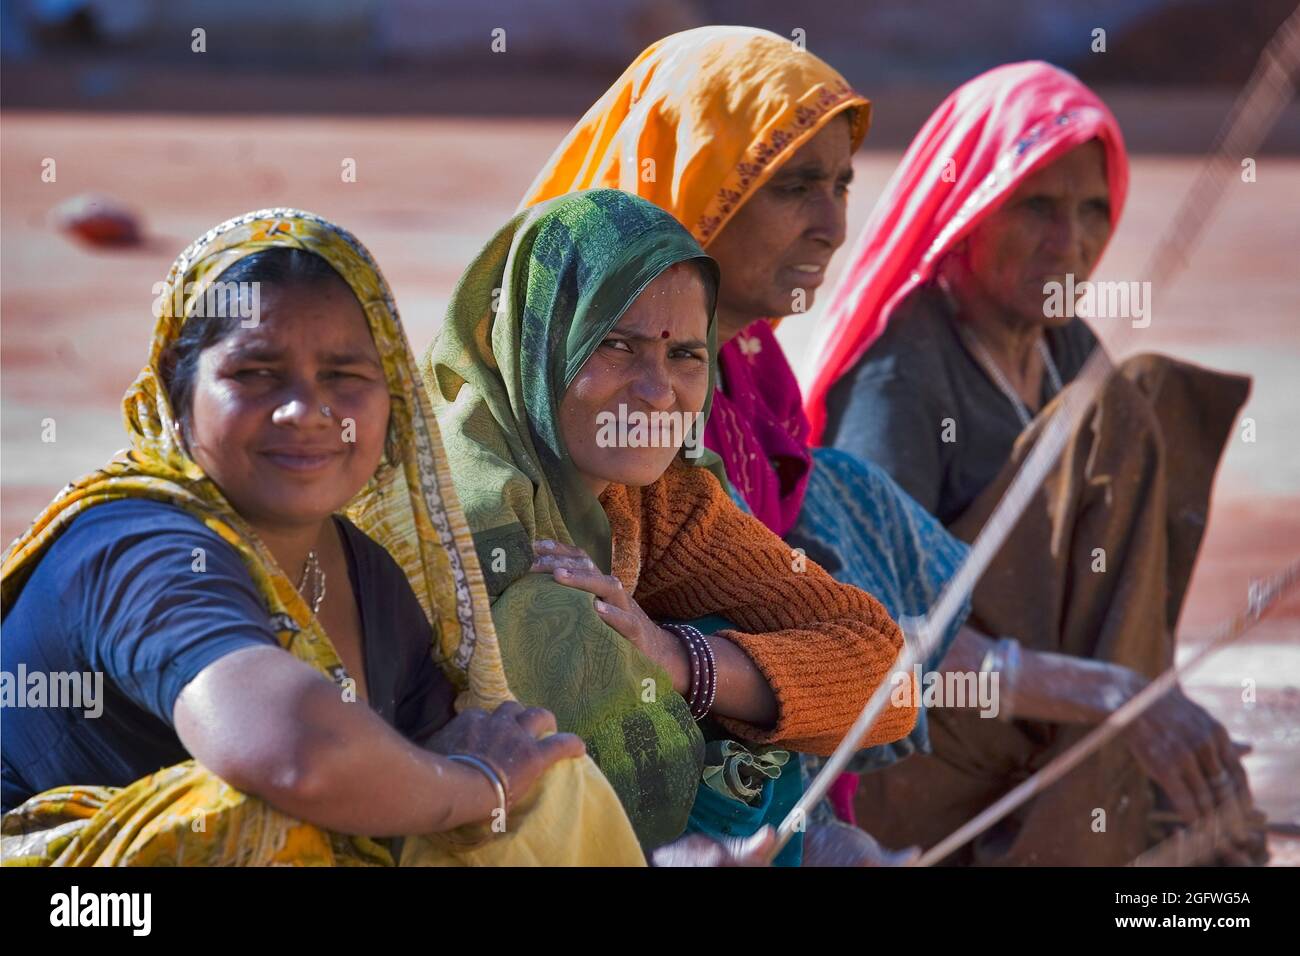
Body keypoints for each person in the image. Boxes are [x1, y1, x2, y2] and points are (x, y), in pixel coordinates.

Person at [0, 208, 646, 867]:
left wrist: (492, 787)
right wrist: (480, 785)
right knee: (261, 821)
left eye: (344, 376)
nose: (306, 412)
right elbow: (295, 757)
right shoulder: (142, 546)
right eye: (255, 374)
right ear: (177, 390)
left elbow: (427, 761)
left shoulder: (364, 568)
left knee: (541, 779)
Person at [519, 26, 977, 864]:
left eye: (841, 185)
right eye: (795, 186)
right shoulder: (515, 475)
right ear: (696, 183)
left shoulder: (742, 390)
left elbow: (880, 670)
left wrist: (680, 658)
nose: (834, 226)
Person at [803, 62, 1266, 865]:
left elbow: (1114, 597)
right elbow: (870, 640)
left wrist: (1157, 699)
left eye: (1093, 210)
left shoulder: (1064, 348)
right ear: (970, 212)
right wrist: (1117, 696)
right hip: (913, 757)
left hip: (1027, 735)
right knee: (1126, 405)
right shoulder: (903, 369)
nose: (1072, 242)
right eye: (1037, 207)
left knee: (1157, 398)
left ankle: (1122, 791)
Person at [422, 188, 918, 858]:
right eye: (617, 345)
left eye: (685, 353)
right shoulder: (469, 505)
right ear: (536, 341)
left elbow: (888, 678)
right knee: (555, 615)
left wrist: (678, 659)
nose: (659, 391)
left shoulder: (659, 497)